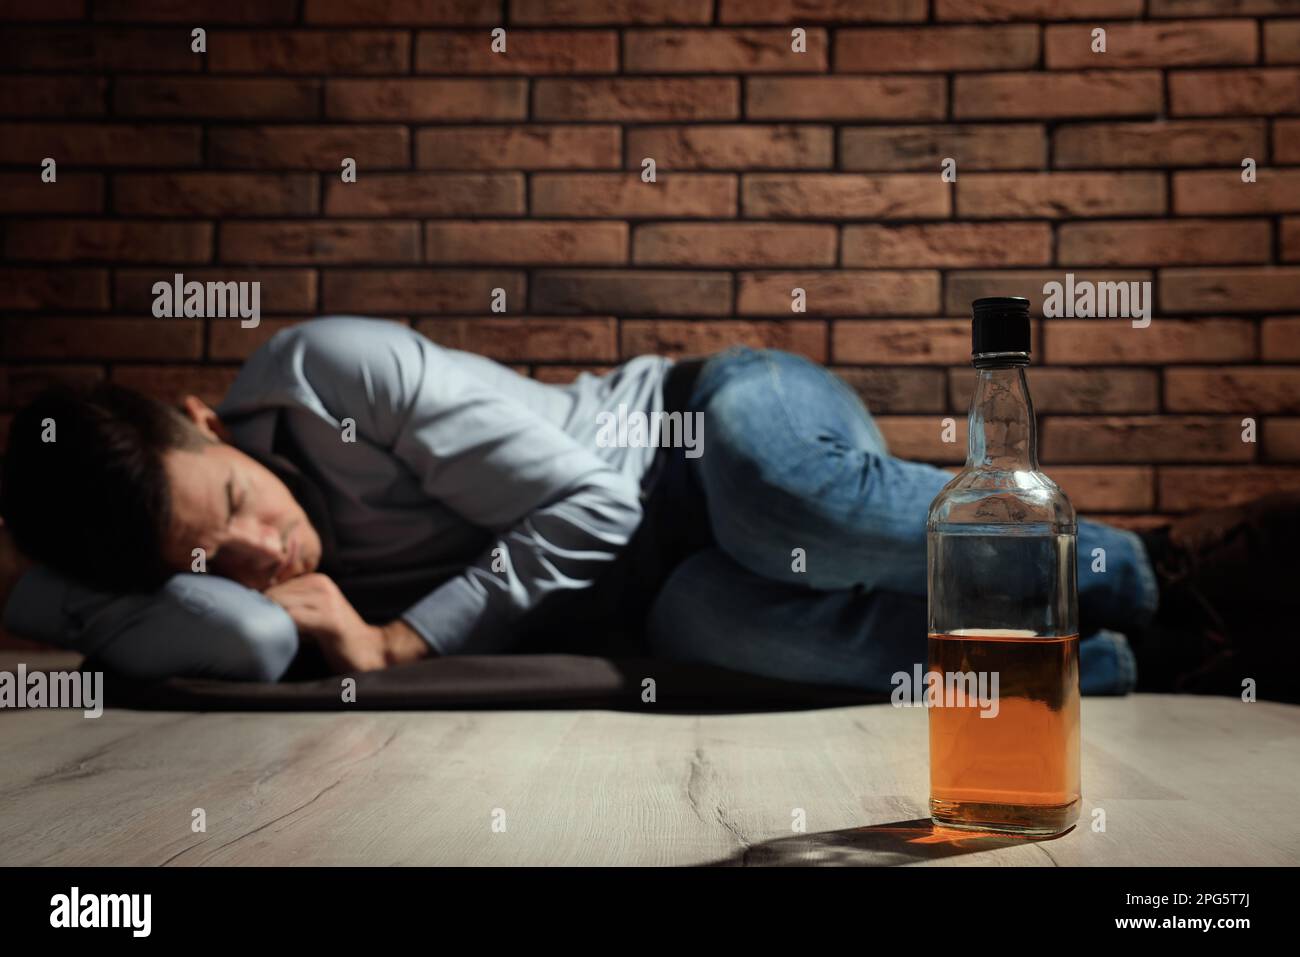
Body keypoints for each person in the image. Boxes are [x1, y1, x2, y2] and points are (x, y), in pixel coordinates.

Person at [1, 317, 1295, 699]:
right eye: (210, 556)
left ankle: (1158, 567)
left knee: (789, 503)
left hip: (693, 436)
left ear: (210, 419)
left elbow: (590, 498)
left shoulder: (338, 369)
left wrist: (404, 639)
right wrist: (35, 580)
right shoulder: (220, 575)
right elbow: (232, 642)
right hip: (650, 591)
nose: (262, 549)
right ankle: (1149, 660)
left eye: (234, 499)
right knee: (766, 636)